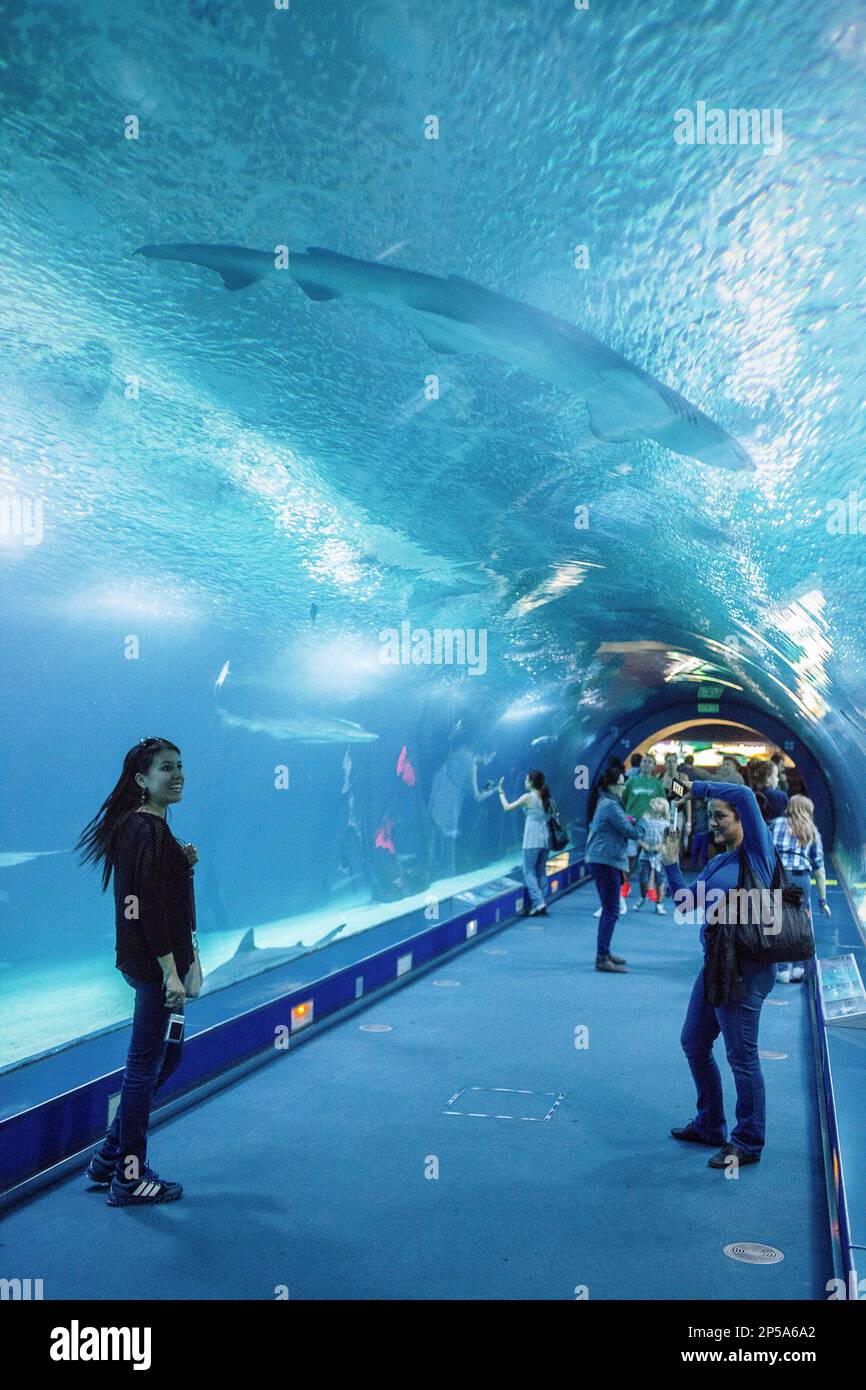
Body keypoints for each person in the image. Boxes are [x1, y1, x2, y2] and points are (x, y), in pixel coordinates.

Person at [75, 737, 198, 1206]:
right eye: (166, 768)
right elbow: (146, 909)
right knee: (144, 1066)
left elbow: (159, 895)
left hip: (157, 963)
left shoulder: (150, 829)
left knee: (165, 1059)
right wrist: (170, 972)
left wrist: (183, 866)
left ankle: (109, 1156)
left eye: (181, 766)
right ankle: (128, 1175)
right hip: (155, 968)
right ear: (142, 780)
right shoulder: (145, 830)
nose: (178, 774)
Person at [660, 773, 777, 1170]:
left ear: (743, 819)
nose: (714, 822)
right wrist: (670, 864)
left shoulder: (759, 854)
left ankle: (747, 1141)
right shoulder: (716, 862)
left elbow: (743, 792)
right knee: (693, 1042)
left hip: (746, 971)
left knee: (741, 1057)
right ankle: (710, 1123)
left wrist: (692, 787)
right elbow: (683, 904)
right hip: (715, 966)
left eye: (721, 816)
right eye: (711, 816)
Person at [585, 767, 641, 972]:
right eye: (621, 783)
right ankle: (602, 957)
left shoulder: (607, 803)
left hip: (604, 859)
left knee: (610, 909)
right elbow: (629, 831)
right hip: (606, 860)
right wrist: (640, 825)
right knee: (611, 910)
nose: (624, 786)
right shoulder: (610, 804)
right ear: (611, 786)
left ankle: (605, 952)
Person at [771, 796, 831, 983]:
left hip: (779, 877)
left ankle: (782, 970)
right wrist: (823, 900)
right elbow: (819, 869)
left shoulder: (775, 824)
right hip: (801, 879)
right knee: (799, 922)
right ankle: (798, 967)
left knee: (779, 921)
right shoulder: (811, 831)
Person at [428, 720, 497, 879]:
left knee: (436, 835)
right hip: (450, 802)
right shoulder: (472, 764)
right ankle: (447, 875)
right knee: (449, 839)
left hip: (438, 791)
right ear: (485, 753)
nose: (491, 761)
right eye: (491, 757)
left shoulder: (461, 750)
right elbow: (477, 797)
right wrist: (494, 790)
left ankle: (435, 872)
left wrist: (453, 734)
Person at [498, 769, 552, 916]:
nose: (524, 781)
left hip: (532, 840)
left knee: (528, 871)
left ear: (532, 782)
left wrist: (501, 792)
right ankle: (542, 901)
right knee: (541, 871)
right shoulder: (545, 797)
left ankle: (539, 902)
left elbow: (507, 807)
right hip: (545, 840)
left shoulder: (528, 797)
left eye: (527, 779)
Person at [632, 797, 669, 913]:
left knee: (660, 879)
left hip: (660, 855)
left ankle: (659, 903)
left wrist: (661, 847)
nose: (654, 803)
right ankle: (642, 897)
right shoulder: (644, 820)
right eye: (654, 801)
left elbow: (669, 839)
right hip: (645, 854)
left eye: (659, 803)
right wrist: (644, 846)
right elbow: (638, 836)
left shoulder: (667, 823)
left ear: (664, 808)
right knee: (643, 878)